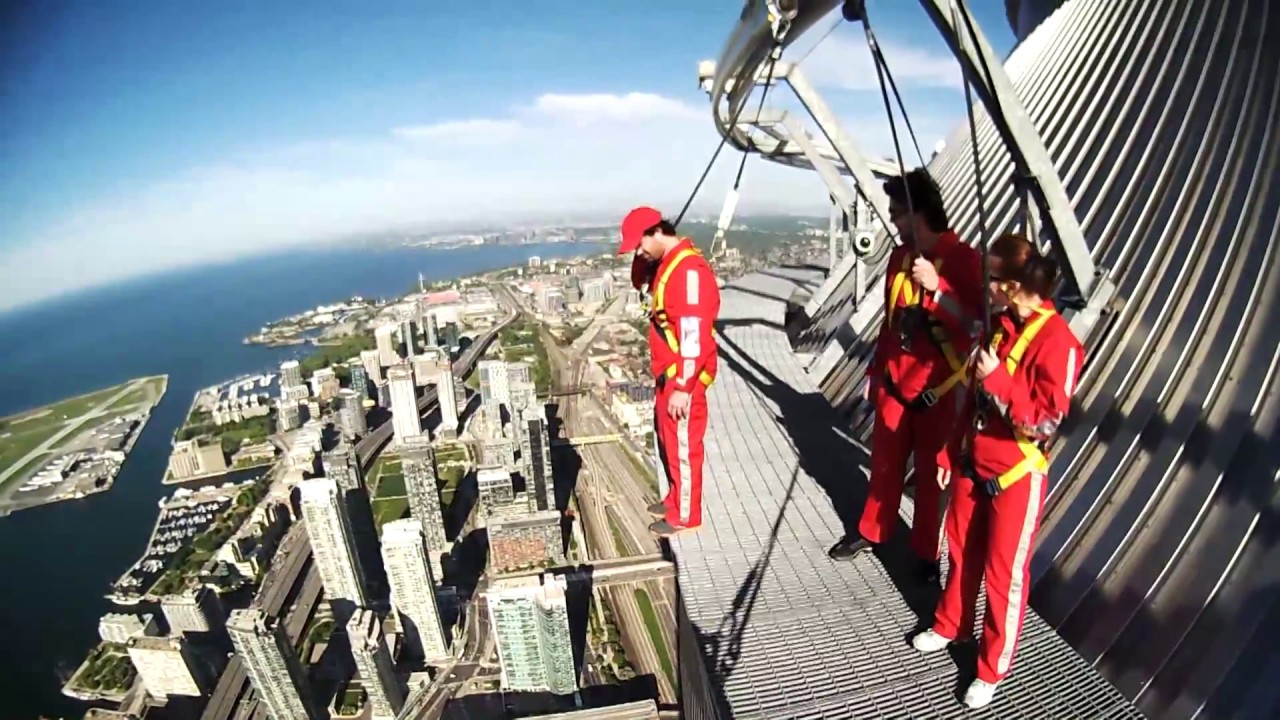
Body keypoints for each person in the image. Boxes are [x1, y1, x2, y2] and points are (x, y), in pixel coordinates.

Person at [911, 234, 1084, 710]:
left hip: (1016, 474)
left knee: (1003, 574)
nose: (985, 286)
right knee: (960, 551)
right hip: (974, 460)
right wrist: (950, 451)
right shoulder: (1000, 325)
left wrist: (1000, 380)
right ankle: (952, 624)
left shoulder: (1059, 344)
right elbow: (971, 396)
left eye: (991, 278)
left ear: (1010, 285)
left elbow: (1044, 422)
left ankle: (991, 669)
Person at [828, 169, 984, 586]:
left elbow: (976, 326)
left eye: (898, 213)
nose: (893, 221)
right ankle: (873, 530)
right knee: (884, 464)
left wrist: (938, 290)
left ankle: (926, 553)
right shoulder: (900, 258)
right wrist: (876, 375)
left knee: (934, 477)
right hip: (896, 383)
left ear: (919, 213)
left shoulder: (963, 260)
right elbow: (890, 323)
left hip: (939, 390)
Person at [618, 206, 721, 537]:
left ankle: (685, 516)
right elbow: (638, 281)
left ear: (657, 232)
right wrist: (643, 258)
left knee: (684, 448)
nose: (638, 252)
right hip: (670, 375)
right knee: (670, 444)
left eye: (640, 244)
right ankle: (675, 500)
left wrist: (683, 386)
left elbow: (694, 336)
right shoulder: (667, 264)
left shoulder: (688, 273)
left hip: (682, 378)